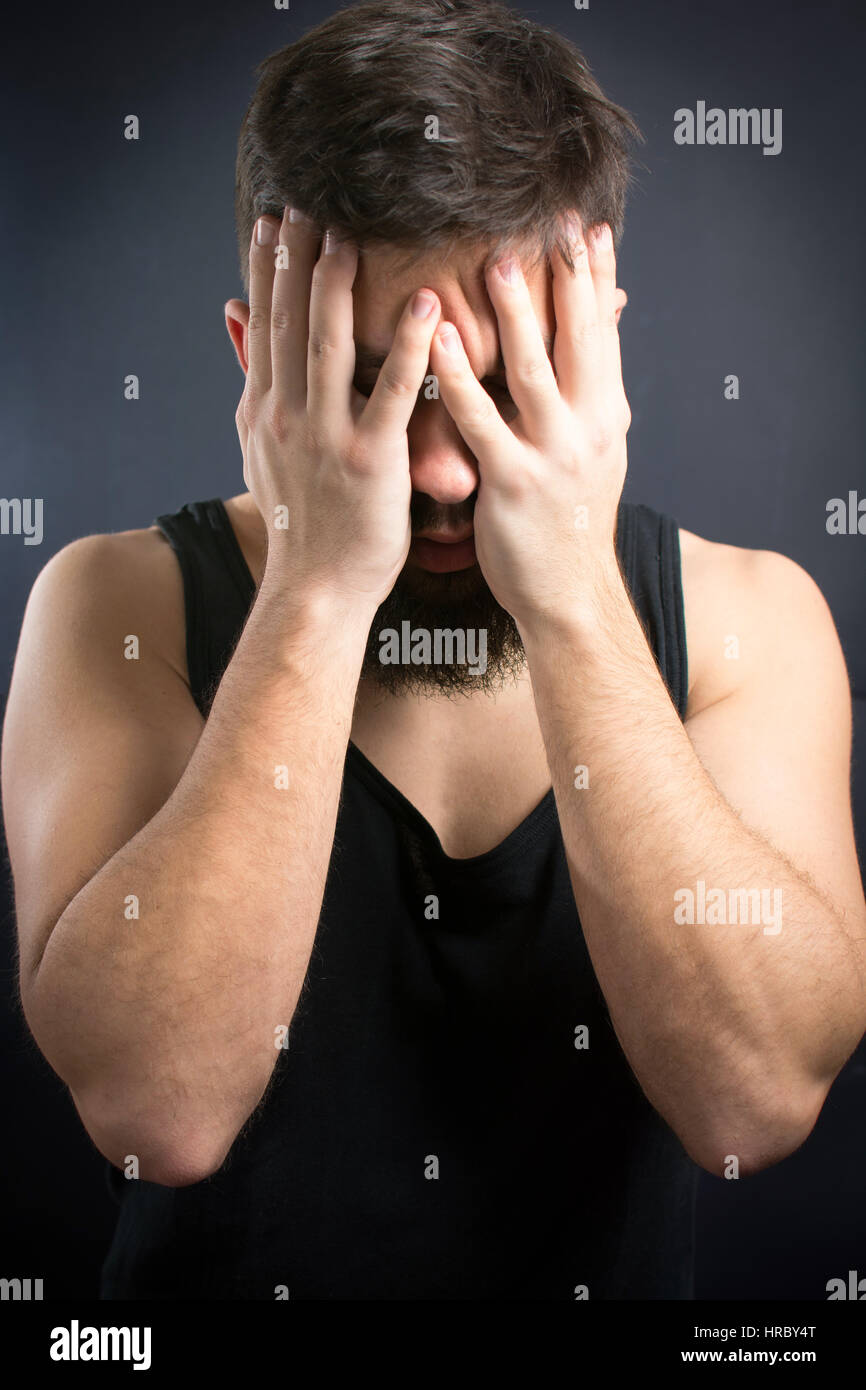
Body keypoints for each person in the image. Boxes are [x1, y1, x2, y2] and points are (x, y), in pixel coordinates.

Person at [2, 0, 864, 1300]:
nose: (443, 468)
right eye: (376, 388)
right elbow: (153, 1114)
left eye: (496, 389)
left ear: (594, 347)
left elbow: (751, 1109)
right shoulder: (114, 605)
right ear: (257, 364)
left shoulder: (750, 620)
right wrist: (313, 587)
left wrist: (570, 590)